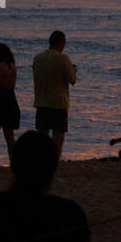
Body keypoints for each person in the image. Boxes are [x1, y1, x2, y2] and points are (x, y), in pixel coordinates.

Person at [32, 30, 77, 161]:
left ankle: (41, 161)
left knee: (42, 137)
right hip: (58, 104)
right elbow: (72, 80)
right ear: (61, 42)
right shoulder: (62, 59)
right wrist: (73, 69)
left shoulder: (38, 58)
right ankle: (53, 162)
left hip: (41, 103)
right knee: (58, 137)